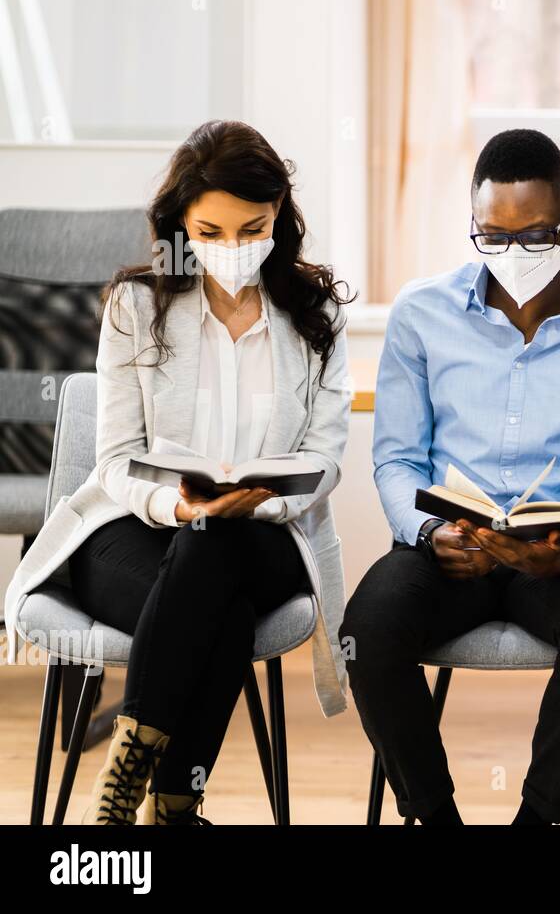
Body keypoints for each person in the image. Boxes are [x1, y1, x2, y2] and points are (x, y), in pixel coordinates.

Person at [3, 120, 354, 824]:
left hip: (267, 536)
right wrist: (183, 509)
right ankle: (172, 806)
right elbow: (115, 460)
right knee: (212, 601)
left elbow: (323, 458)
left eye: (252, 229)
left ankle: (118, 796)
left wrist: (259, 501)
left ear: (279, 215)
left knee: (214, 558)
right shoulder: (138, 307)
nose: (234, 249)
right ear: (179, 226)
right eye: (212, 232)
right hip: (137, 526)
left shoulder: (314, 312)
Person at [341, 128, 560, 825]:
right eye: (492, 237)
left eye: (535, 235)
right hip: (450, 550)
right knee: (366, 628)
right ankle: (435, 816)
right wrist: (427, 532)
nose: (512, 255)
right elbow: (396, 458)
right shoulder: (420, 314)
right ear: (473, 224)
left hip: (559, 560)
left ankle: (538, 820)